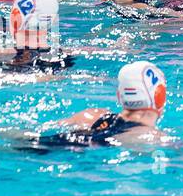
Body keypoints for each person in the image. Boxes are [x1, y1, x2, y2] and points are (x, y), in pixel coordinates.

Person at [37, 61, 168, 147]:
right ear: (160, 96)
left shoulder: (91, 115)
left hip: (41, 145)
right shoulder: (152, 138)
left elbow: (44, 129)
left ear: (119, 96)